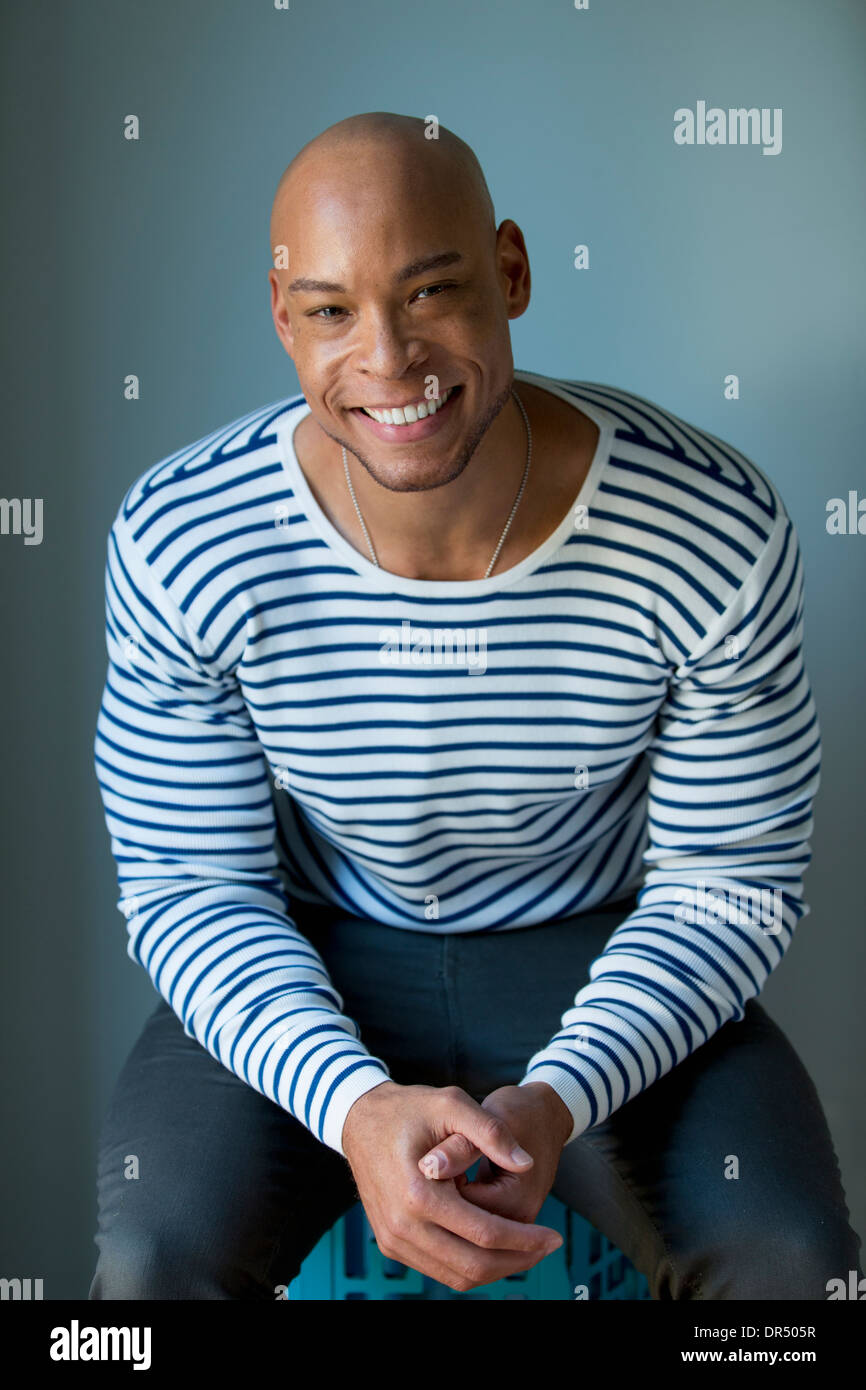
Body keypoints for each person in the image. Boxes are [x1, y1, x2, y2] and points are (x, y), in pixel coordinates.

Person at [88, 111, 862, 1300]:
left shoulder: (711, 526)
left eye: (432, 290)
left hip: (603, 945)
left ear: (508, 273)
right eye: (332, 308)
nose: (388, 358)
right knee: (150, 1270)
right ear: (283, 315)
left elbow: (726, 881)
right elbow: (193, 886)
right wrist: (351, 1105)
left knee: (789, 1269)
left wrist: (555, 1100)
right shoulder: (181, 538)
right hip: (312, 944)